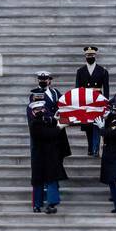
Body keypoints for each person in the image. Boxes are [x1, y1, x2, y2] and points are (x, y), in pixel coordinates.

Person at [27, 84, 66, 214]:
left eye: (42, 108)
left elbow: (51, 122)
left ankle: (51, 203)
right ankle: (37, 205)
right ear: (33, 111)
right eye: (38, 110)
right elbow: (48, 133)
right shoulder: (35, 124)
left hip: (49, 154)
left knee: (51, 179)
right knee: (38, 181)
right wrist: (59, 127)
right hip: (39, 154)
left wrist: (55, 121)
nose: (41, 111)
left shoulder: (45, 120)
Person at [75, 46, 110, 156]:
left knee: (96, 123)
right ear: (85, 56)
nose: (90, 57)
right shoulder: (80, 71)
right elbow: (77, 88)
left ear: (95, 56)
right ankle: (90, 147)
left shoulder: (102, 71)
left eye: (92, 55)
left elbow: (106, 88)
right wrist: (78, 103)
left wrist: (106, 103)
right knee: (87, 125)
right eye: (88, 55)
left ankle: (96, 148)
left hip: (97, 100)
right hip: (86, 100)